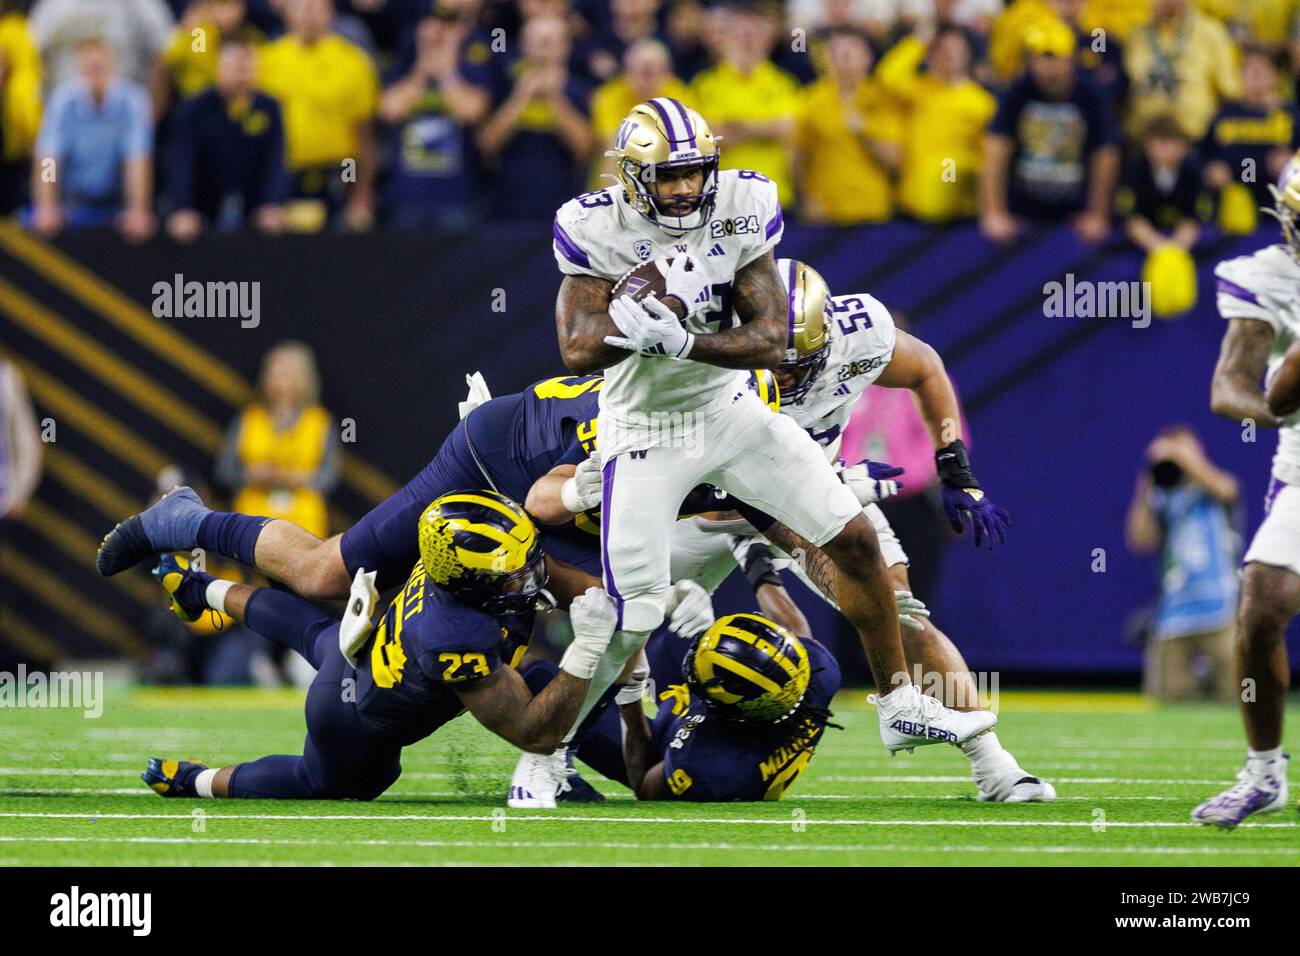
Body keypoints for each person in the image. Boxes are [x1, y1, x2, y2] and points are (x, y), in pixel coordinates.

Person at [551, 97, 999, 770]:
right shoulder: (595, 226)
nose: (685, 189)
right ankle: (549, 748)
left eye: (694, 173)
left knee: (867, 558)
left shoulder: (822, 316)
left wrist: (953, 464)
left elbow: (779, 344)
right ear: (635, 178)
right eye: (669, 176)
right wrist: (630, 324)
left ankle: (929, 722)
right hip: (668, 455)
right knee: (630, 614)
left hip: (732, 420)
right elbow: (577, 349)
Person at [668, 259, 1050, 802]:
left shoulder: (858, 333)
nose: (784, 377)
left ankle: (994, 766)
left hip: (811, 494)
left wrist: (954, 466)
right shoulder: (702, 361)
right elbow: (700, 493)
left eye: (797, 362)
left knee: (901, 613)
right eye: (771, 360)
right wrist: (767, 553)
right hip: (705, 505)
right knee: (612, 611)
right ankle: (554, 755)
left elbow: (926, 369)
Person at [140, 491, 620, 801]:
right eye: (512, 575)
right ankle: (191, 781)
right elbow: (533, 735)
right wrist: (587, 648)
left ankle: (198, 588)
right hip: (353, 721)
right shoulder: (456, 636)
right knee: (327, 782)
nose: (531, 578)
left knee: (311, 632)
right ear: (470, 584)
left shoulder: (451, 561)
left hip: (359, 653)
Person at [1196, 149, 1300, 828]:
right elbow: (1230, 385)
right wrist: (1279, 407)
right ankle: (1263, 773)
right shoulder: (1271, 276)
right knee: (1261, 601)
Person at [979, 16, 1119, 244]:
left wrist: (1097, 214)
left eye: (1056, 60)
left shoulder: (1092, 94)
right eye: (1041, 60)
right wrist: (994, 212)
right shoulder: (1017, 91)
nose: (1049, 69)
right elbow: (996, 148)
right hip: (1023, 213)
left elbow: (1105, 154)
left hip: (1074, 215)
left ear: (1072, 60)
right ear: (1031, 61)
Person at [1125, 426, 1240, 703]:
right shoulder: (1161, 499)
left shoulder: (1211, 490)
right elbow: (1140, 541)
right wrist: (1147, 481)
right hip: (1174, 616)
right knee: (1168, 700)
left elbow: (1228, 490)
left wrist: (1183, 458)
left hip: (1220, 611)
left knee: (1236, 697)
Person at [256, 0, 378, 230]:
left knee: (342, 241)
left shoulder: (353, 61)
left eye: (316, 7)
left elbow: (364, 134)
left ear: (330, 12)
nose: (308, 15)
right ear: (287, 11)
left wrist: (360, 197)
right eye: (301, 7)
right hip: (284, 172)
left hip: (342, 169)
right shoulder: (266, 61)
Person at [29, 37, 155, 240]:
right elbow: (49, 159)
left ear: (113, 66)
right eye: (89, 68)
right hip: (71, 201)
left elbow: (137, 161)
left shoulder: (133, 100)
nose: (95, 74)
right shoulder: (63, 101)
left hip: (116, 201)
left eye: (100, 67)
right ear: (79, 70)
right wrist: (47, 206)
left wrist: (138, 210)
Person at [379, 7, 491, 229]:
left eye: (445, 30)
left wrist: (446, 73)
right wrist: (421, 71)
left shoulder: (471, 68)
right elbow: (390, 110)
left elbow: (472, 111)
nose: (436, 37)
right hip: (407, 194)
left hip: (457, 196)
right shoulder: (404, 66)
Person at [215, 342, 338, 542]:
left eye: (287, 375)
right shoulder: (248, 419)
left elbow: (330, 476)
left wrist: (300, 479)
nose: (280, 382)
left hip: (305, 525)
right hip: (251, 522)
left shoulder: (320, 422)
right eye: (274, 374)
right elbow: (224, 472)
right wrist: (251, 475)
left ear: (304, 379)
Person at [166, 37, 287, 240]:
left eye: (247, 69)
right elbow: (182, 160)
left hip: (254, 202)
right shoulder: (196, 107)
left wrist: (272, 203)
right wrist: (183, 207)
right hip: (203, 199)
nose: (242, 77)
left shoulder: (269, 108)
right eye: (235, 69)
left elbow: (276, 160)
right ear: (219, 69)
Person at [476, 13, 592, 222]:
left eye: (550, 41)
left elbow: (584, 150)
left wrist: (554, 96)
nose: (544, 48)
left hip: (564, 209)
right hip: (506, 207)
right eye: (537, 41)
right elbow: (486, 145)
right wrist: (520, 97)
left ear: (566, 46)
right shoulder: (504, 85)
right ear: (523, 46)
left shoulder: (579, 89)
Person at [876, 23, 995, 223]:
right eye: (943, 50)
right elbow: (887, 77)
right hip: (912, 203)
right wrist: (918, 41)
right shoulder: (917, 89)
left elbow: (985, 156)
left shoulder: (981, 102)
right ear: (930, 55)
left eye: (957, 50)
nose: (950, 55)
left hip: (958, 207)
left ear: (967, 55)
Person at [688, 0, 800, 205]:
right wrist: (764, 129)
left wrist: (736, 126)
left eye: (756, 35)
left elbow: (788, 128)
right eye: (740, 35)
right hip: (721, 198)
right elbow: (699, 137)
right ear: (725, 40)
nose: (748, 42)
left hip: (773, 197)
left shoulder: (783, 83)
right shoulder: (704, 85)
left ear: (768, 41)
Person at [794, 26, 900, 225]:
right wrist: (807, 198)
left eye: (851, 52)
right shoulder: (811, 99)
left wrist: (864, 132)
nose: (843, 59)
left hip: (872, 210)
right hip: (825, 212)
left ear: (867, 58)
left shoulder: (882, 98)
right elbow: (799, 156)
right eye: (835, 52)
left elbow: (894, 161)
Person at [1122, 0, 1240, 144]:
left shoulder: (1211, 33)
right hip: (1143, 138)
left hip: (1196, 139)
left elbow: (1230, 90)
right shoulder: (1136, 35)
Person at [1117, 114, 1204, 255]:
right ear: (1147, 144)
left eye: (1174, 143)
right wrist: (1159, 248)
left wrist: (1176, 250)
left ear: (1185, 146)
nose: (1168, 149)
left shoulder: (1194, 171)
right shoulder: (1134, 170)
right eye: (1161, 143)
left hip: (1182, 241)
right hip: (1146, 242)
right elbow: (1131, 217)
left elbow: (1194, 219)